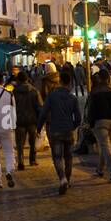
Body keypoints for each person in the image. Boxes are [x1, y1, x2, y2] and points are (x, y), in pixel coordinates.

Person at [38, 65, 81, 195]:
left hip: (55, 129)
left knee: (57, 157)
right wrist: (72, 126)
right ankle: (67, 180)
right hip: (68, 131)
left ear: (61, 81)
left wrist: (39, 128)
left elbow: (44, 113)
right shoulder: (73, 98)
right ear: (69, 83)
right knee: (68, 157)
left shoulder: (52, 96)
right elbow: (78, 118)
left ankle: (62, 179)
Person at [86, 69, 111, 183]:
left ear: (99, 78)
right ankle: (100, 169)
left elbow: (91, 109)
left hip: (100, 121)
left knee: (105, 146)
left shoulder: (95, 92)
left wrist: (90, 122)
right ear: (108, 78)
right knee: (105, 145)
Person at [12, 70, 41, 170]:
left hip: (19, 121)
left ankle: (20, 161)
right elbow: (39, 107)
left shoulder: (14, 92)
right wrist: (40, 122)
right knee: (32, 142)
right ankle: (32, 160)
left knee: (20, 143)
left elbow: (10, 107)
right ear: (27, 79)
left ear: (18, 80)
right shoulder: (34, 91)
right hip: (32, 121)